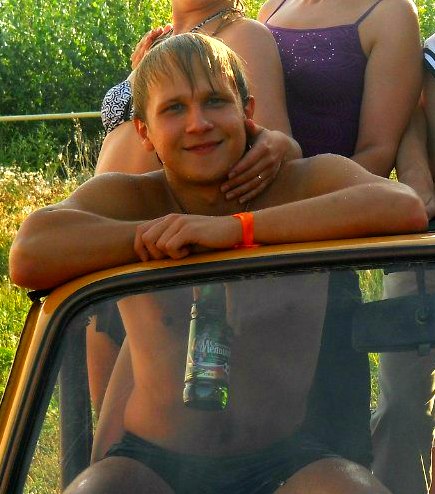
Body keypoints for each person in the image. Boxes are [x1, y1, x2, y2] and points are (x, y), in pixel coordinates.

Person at [9, 33, 427, 493]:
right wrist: (158, 234)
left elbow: (403, 207)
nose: (198, 123)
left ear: (247, 112)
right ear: (144, 132)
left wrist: (237, 229)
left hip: (286, 457)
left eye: (215, 102)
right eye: (174, 109)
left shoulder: (301, 183)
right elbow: (29, 253)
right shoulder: (133, 199)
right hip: (151, 461)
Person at [88, 0, 302, 415]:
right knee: (106, 429)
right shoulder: (161, 41)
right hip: (114, 251)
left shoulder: (243, 35)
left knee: (164, 417)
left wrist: (229, 225)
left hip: (168, 262)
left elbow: (271, 147)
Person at [257, 0, 422, 468]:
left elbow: (376, 153)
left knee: (326, 438)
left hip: (320, 258)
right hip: (248, 251)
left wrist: (295, 218)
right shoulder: (271, 8)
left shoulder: (391, 13)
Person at [370, 33, 435, 494]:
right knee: (402, 409)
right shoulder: (427, 51)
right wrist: (417, 178)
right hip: (426, 244)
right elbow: (409, 107)